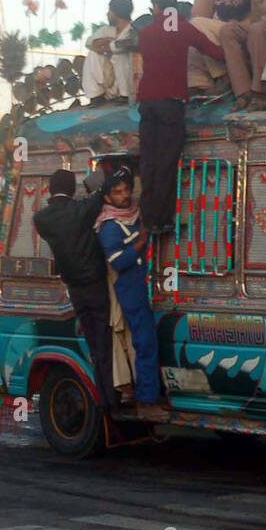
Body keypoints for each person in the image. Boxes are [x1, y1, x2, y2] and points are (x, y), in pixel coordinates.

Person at [136, 0, 225, 232]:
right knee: (166, 161)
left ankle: (147, 218)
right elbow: (215, 51)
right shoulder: (184, 28)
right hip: (170, 103)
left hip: (146, 101)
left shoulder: (145, 33)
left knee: (149, 161)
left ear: (155, 6)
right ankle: (161, 220)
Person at [33, 167, 121, 414]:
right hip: (96, 285)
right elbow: (101, 193)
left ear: (50, 189)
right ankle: (112, 397)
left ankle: (102, 398)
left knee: (93, 344)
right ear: (72, 189)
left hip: (75, 290)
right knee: (105, 341)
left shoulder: (42, 219)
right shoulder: (81, 210)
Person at [93, 167, 165, 421]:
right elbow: (117, 262)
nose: (124, 196)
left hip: (149, 284)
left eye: (126, 190)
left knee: (155, 343)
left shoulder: (135, 214)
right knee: (145, 344)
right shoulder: (110, 227)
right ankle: (146, 402)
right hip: (131, 289)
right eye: (118, 192)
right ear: (107, 198)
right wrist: (140, 243)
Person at [82, 0, 134, 105]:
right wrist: (106, 40)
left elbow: (123, 46)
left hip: (128, 80)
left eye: (110, 11)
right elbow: (90, 43)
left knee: (121, 55)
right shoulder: (107, 30)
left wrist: (111, 47)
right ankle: (96, 96)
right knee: (93, 54)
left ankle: (124, 96)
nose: (107, 14)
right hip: (110, 80)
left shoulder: (133, 30)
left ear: (116, 13)